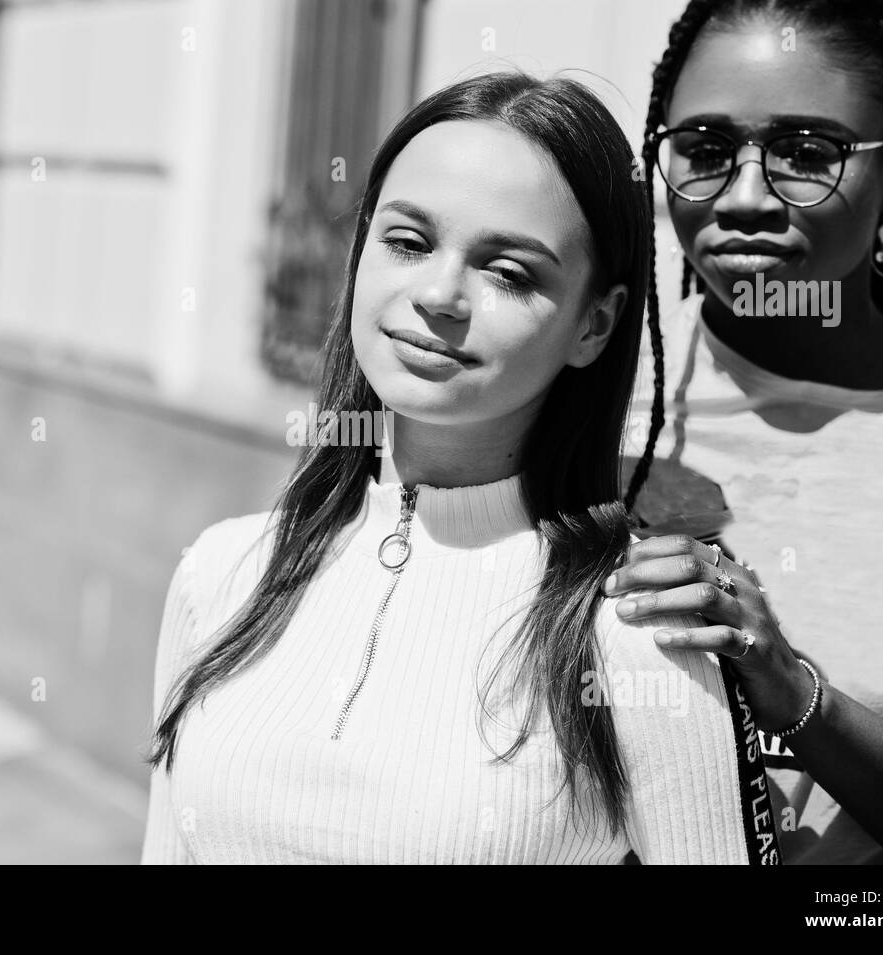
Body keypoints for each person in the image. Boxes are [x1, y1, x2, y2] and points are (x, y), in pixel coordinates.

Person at [140, 71, 778, 864]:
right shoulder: (222, 573)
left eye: (508, 273)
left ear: (595, 324)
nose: (440, 294)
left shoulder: (633, 621)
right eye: (407, 242)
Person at [609, 0, 883, 864]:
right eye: (704, 151)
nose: (745, 197)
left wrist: (796, 693)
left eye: (806, 153)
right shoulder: (582, 393)